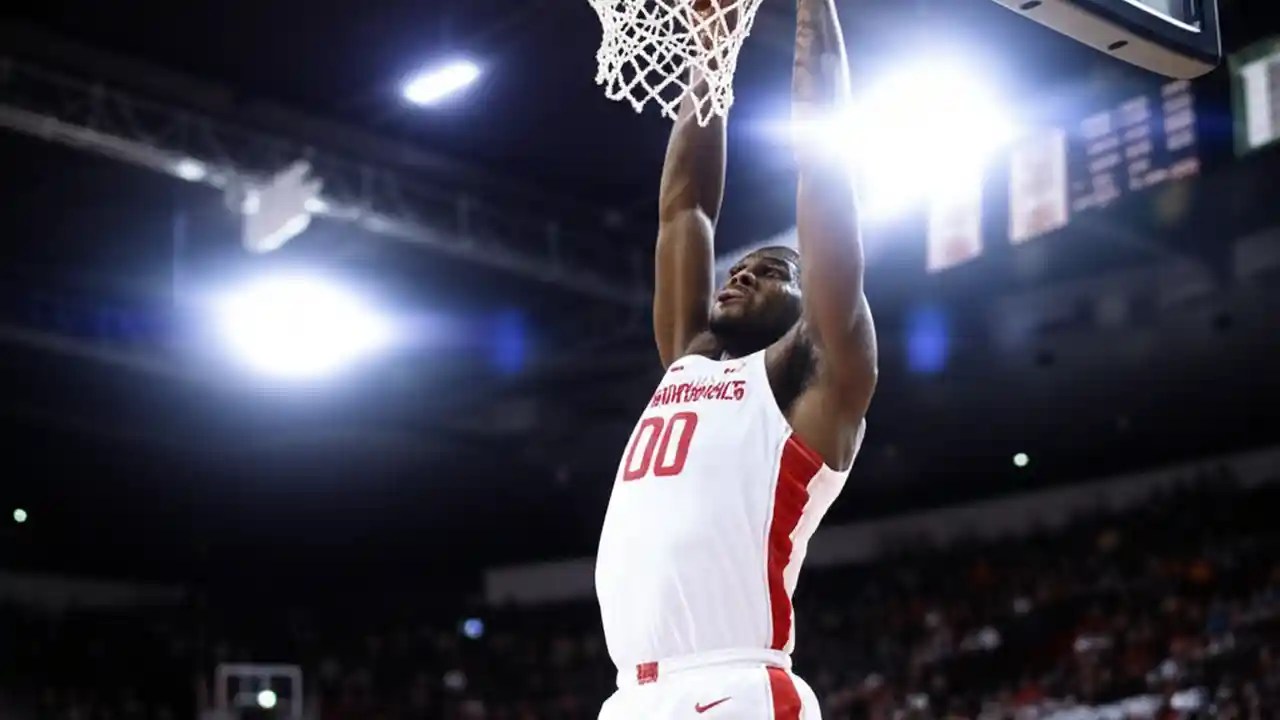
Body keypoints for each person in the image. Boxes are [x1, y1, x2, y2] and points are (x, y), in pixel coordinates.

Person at [594, 0, 877, 717]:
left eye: (772, 270)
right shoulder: (686, 358)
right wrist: (712, 43)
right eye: (740, 265)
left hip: (735, 687)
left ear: (810, 292)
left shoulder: (815, 373)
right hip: (632, 695)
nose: (742, 273)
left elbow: (823, 170)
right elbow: (685, 209)